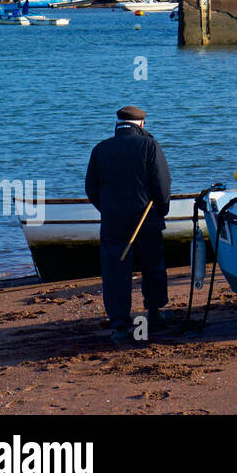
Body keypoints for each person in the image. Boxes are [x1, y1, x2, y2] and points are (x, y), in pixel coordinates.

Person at [85, 105, 172, 345]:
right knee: (153, 266)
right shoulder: (149, 145)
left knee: (114, 271)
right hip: (146, 217)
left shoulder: (100, 149)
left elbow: (91, 188)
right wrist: (161, 210)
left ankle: (120, 325)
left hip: (113, 220)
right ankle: (154, 313)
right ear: (142, 124)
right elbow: (162, 184)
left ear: (117, 124)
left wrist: (108, 210)